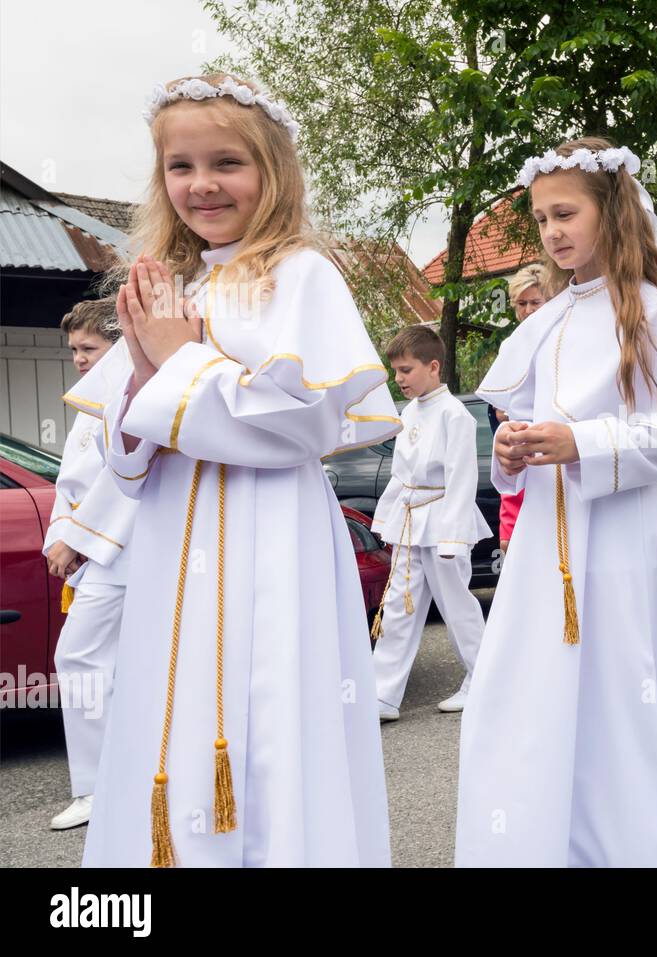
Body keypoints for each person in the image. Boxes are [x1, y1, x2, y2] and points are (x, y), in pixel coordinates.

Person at [66, 73, 399, 867]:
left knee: (274, 713)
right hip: (174, 549)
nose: (202, 184)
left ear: (272, 171)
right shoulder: (169, 285)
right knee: (169, 715)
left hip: (273, 535)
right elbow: (127, 462)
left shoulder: (302, 276)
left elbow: (302, 425)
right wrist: (145, 383)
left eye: (227, 162)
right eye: (180, 167)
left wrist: (181, 361)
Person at [455, 138, 657, 867]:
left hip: (618, 543)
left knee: (616, 703)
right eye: (541, 217)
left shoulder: (649, 311)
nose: (551, 231)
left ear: (610, 212)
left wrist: (583, 443)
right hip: (542, 550)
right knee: (525, 698)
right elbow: (529, 433)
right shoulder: (550, 318)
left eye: (565, 213)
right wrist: (512, 451)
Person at [44, 298, 138, 831]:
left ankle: (96, 787)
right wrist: (61, 534)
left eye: (89, 348)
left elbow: (124, 483)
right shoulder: (89, 406)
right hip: (93, 554)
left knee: (77, 658)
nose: (79, 359)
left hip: (118, 553)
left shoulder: (127, 400)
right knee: (109, 666)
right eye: (75, 350)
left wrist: (77, 541)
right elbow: (68, 486)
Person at [370, 324, 491, 717]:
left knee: (456, 605)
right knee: (397, 605)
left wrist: (453, 537)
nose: (399, 378)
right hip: (409, 521)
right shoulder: (409, 411)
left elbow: (461, 477)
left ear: (433, 366)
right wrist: (388, 520)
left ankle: (485, 680)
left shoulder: (455, 415)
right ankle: (382, 693)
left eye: (406, 370)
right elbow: (401, 475)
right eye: (396, 371)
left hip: (442, 522)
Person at [495, 264, 549, 554]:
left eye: (535, 302)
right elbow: (501, 409)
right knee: (514, 548)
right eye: (521, 303)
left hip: (554, 446)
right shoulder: (510, 345)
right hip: (519, 446)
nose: (528, 310)